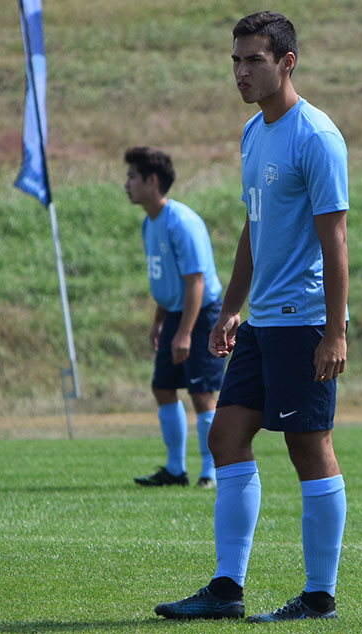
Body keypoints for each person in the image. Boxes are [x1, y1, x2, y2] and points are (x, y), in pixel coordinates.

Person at [153, 11, 349, 622]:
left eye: (253, 60)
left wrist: (335, 331)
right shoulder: (251, 132)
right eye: (236, 60)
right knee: (225, 437)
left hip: (305, 321)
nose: (241, 71)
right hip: (262, 321)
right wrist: (232, 307)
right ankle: (226, 590)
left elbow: (335, 241)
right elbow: (253, 228)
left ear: (287, 62)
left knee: (308, 447)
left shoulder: (315, 137)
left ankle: (319, 598)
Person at [124, 146, 224, 489]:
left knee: (202, 393)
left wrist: (184, 333)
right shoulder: (149, 223)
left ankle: (211, 472)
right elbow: (168, 279)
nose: (127, 184)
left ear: (152, 181)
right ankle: (174, 469)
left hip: (202, 313)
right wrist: (159, 319)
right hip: (175, 314)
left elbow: (195, 282)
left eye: (132, 177)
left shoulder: (182, 222)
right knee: (164, 388)